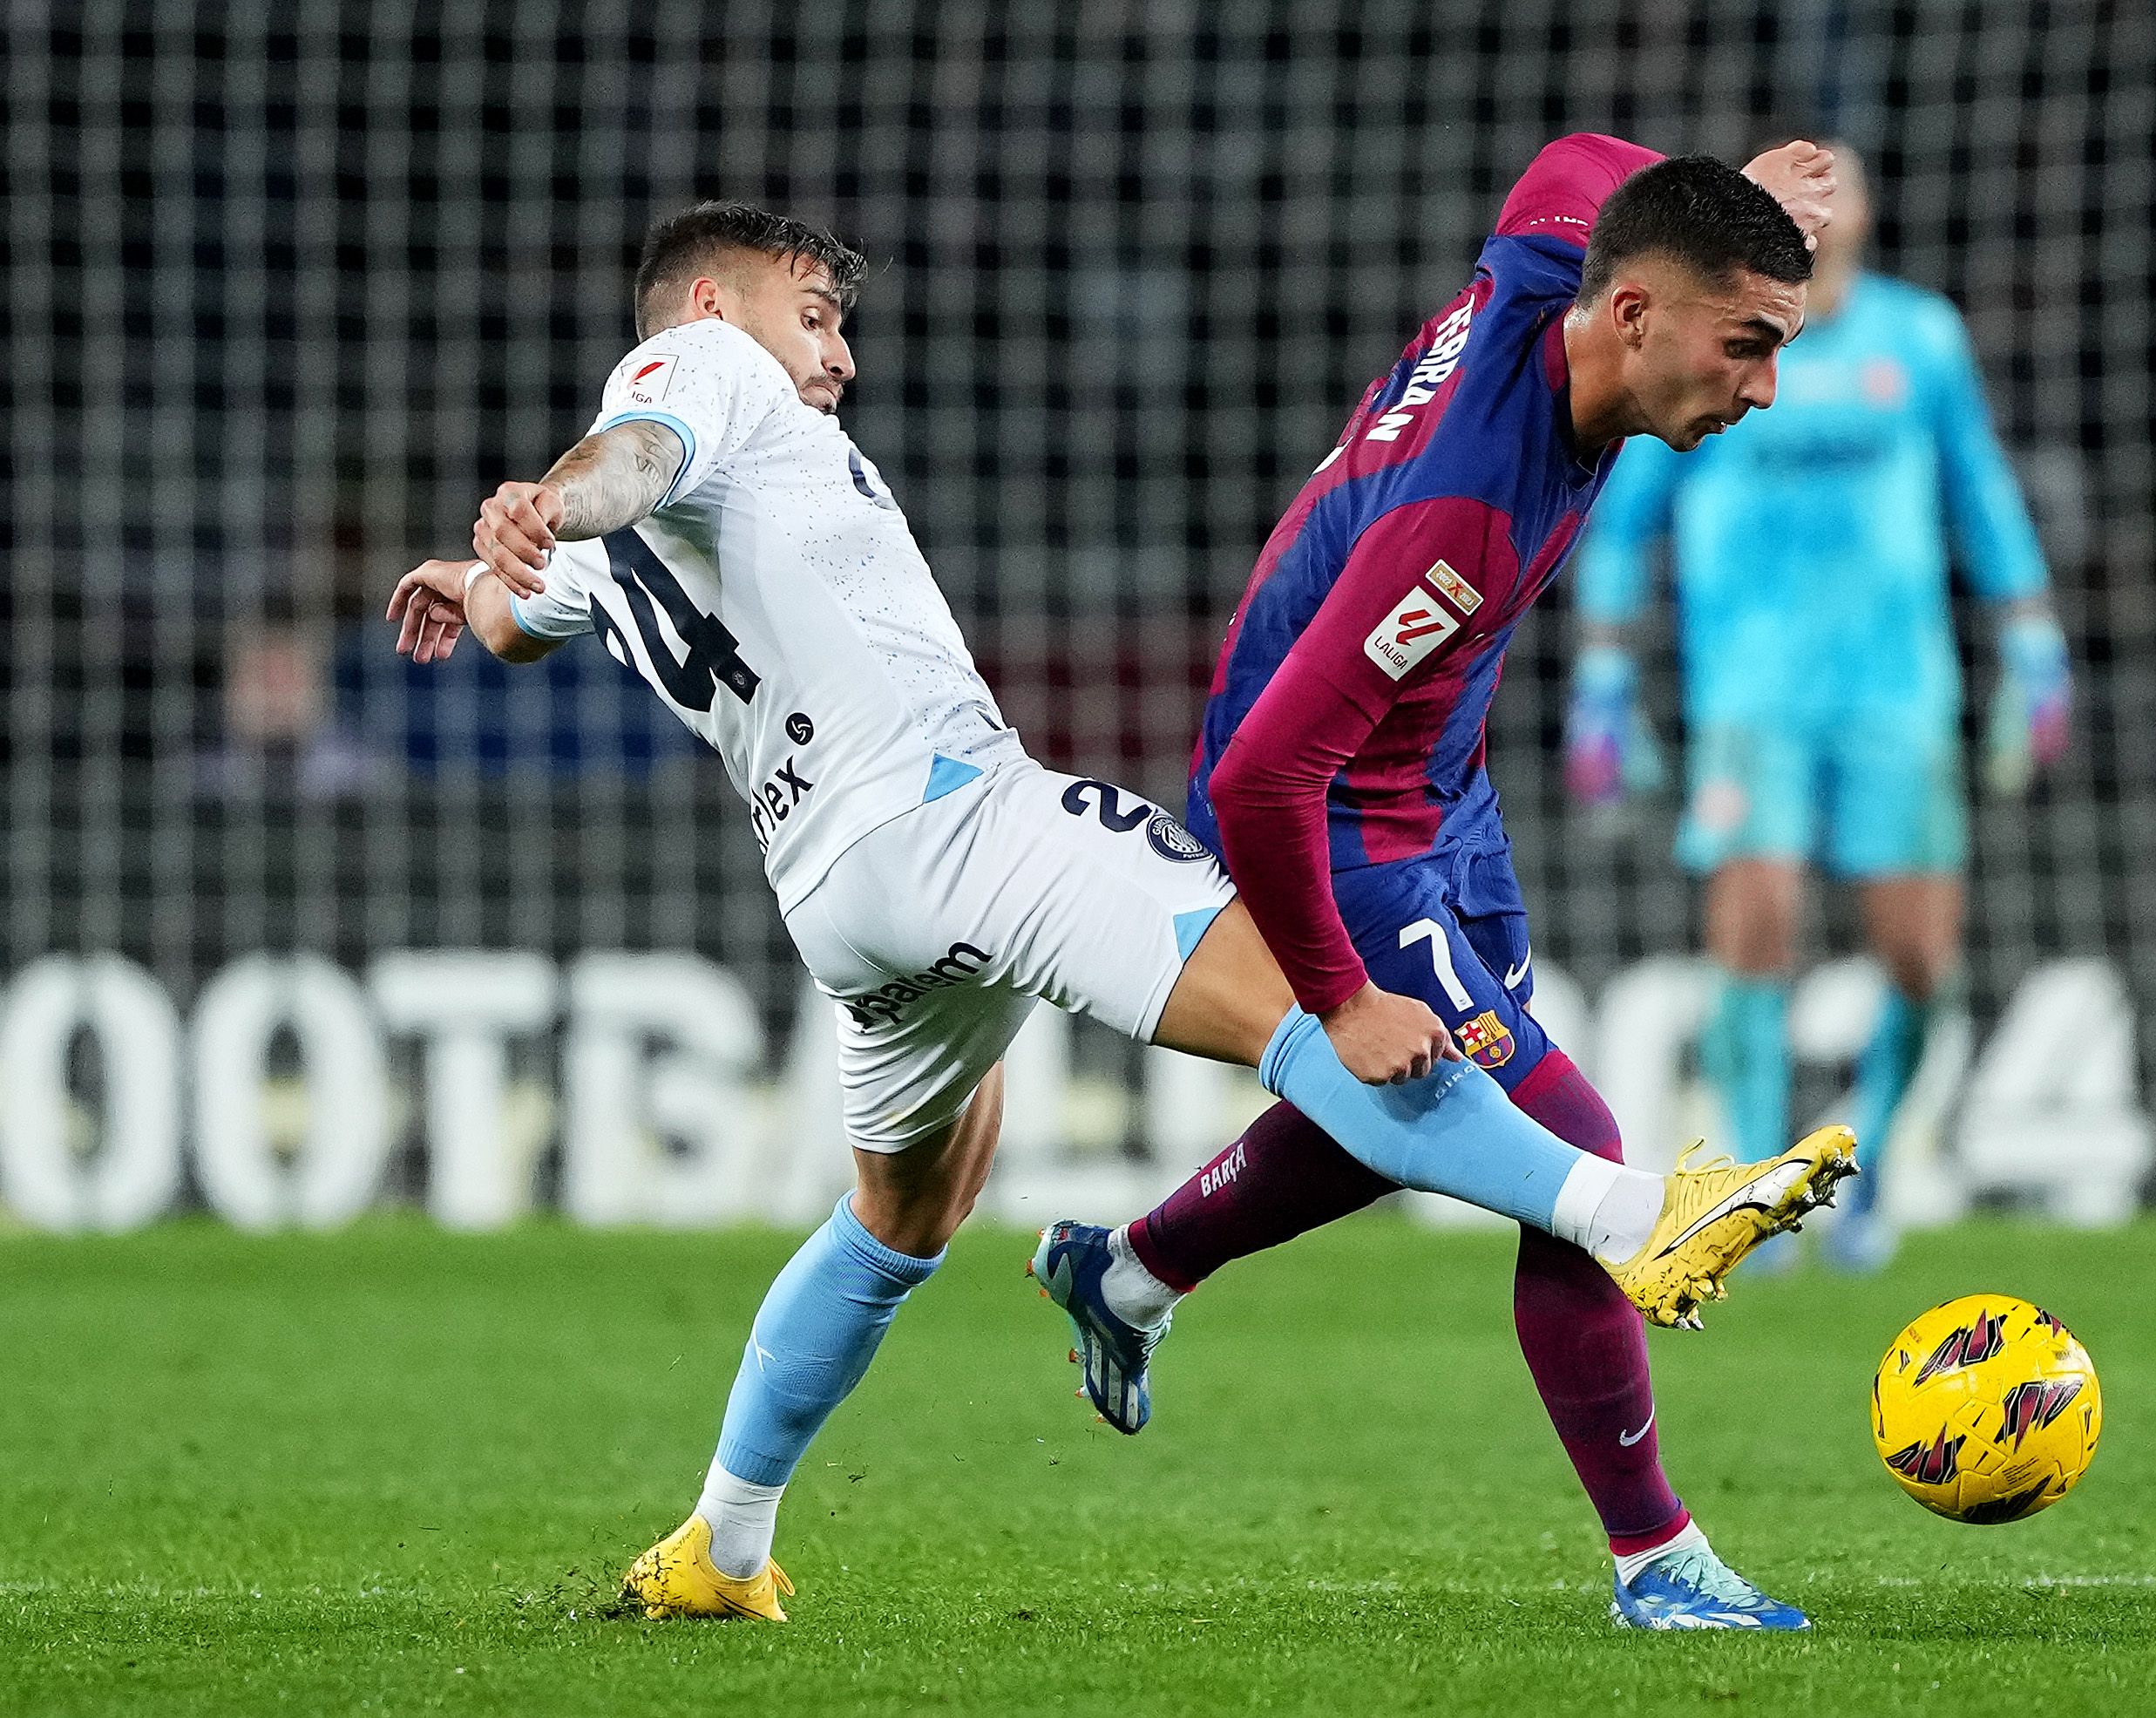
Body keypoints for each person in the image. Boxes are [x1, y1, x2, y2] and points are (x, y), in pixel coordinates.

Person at [385, 200, 1834, 1623]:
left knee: (907, 1211)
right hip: (957, 818)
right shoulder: (701, 377)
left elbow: (524, 616)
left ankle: (724, 1537)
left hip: (834, 894)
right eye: (813, 319)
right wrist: (553, 494)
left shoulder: (656, 520)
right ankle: (1628, 1210)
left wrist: (477, 572)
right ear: (711, 308)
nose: (836, 360)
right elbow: (637, 449)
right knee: (1315, 1007)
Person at [1032, 137, 1854, 1632]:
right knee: (1569, 1154)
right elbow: (1255, 780)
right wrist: (1337, 995)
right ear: (1633, 320)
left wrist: (1711, 196)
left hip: (1436, 780)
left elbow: (1566, 167)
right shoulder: (1461, 526)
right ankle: (1654, 1561)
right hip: (1334, 811)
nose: (1761, 388)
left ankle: (1128, 1274)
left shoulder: (1556, 262)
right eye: (1746, 346)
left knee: (1429, 1111)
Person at [1566, 145, 2071, 1271]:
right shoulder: (1718, 343)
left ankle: (1877, 1160)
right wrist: (1603, 672)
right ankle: (1755, 1182)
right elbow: (1628, 503)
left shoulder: (1918, 338)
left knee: (1917, 961)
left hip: (1896, 693)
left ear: (1865, 218)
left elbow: (1977, 488)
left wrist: (2031, 637)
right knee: (1755, 927)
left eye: (1841, 192)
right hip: (1751, 695)